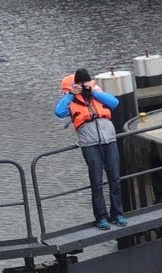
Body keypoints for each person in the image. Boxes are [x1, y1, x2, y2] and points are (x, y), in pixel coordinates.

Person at [55, 68, 125, 230]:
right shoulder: (71, 98)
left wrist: (93, 92)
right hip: (89, 143)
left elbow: (114, 103)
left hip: (109, 139)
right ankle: (101, 217)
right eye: (81, 83)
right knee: (97, 181)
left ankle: (117, 213)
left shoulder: (96, 93)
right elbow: (59, 112)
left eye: (86, 82)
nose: (84, 85)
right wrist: (71, 94)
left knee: (115, 178)